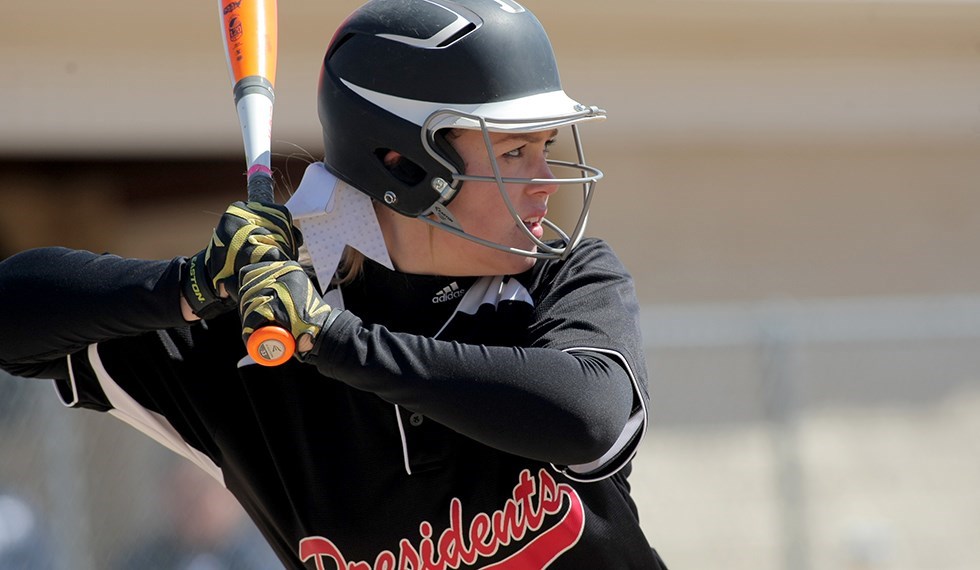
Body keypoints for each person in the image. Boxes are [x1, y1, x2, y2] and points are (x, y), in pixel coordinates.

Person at [0, 0, 667, 568]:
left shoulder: (562, 280)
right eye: (515, 152)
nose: (545, 180)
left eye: (545, 147)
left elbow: (588, 416)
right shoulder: (252, 335)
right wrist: (192, 283)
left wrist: (328, 337)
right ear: (403, 165)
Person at [113, 460, 280, 570]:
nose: (191, 505)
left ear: (232, 497)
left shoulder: (269, 555)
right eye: (180, 492)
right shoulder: (145, 559)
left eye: (200, 490)